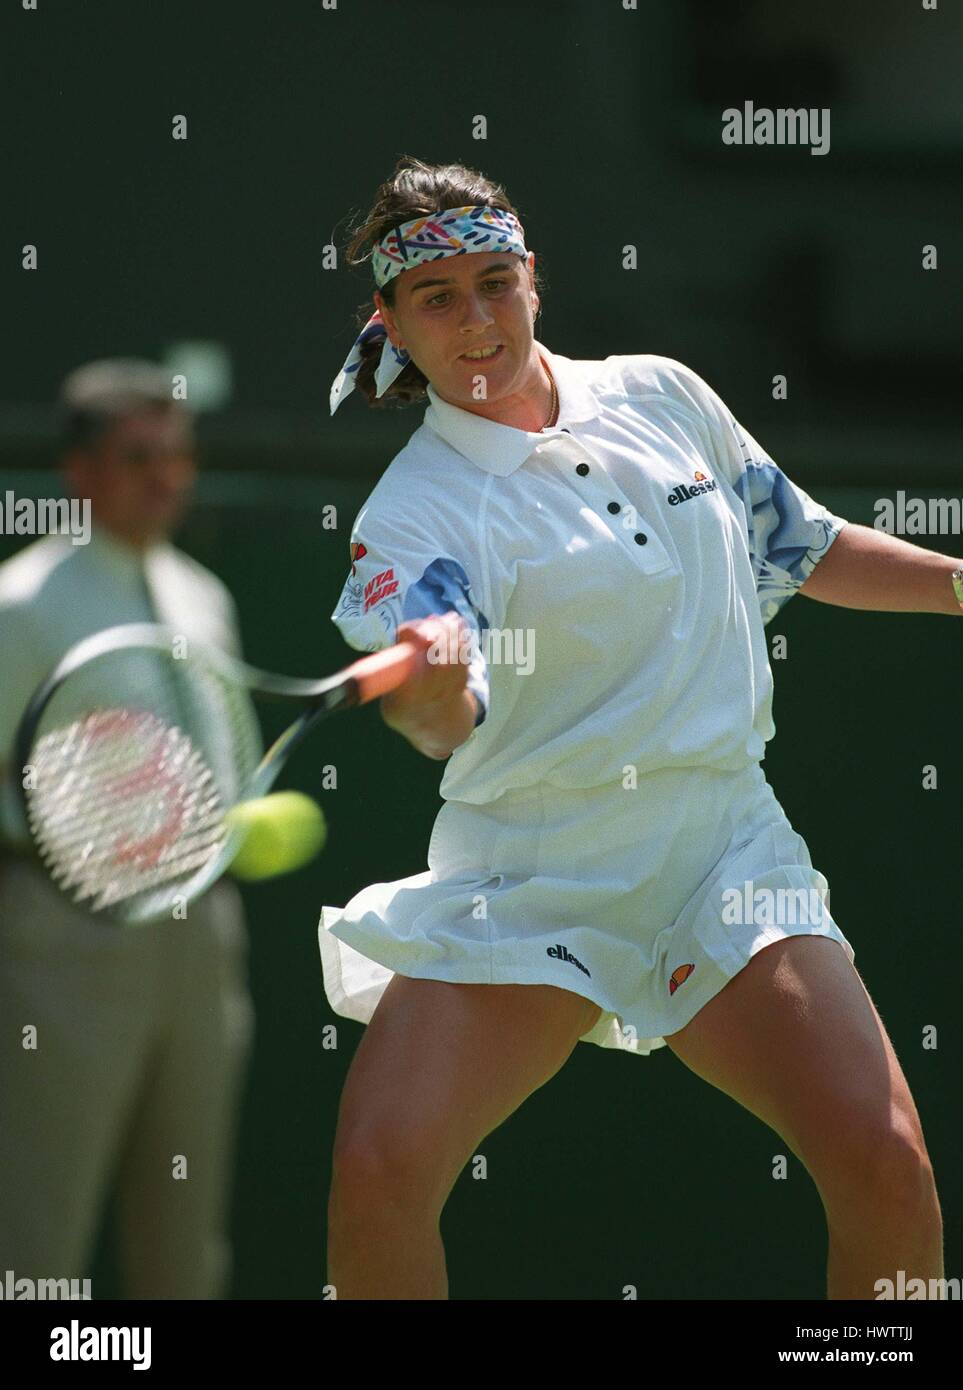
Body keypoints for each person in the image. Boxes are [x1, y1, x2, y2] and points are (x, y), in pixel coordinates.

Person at [318, 156, 960, 1300]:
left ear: (534, 279)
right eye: (437, 298)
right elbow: (441, 711)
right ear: (392, 325)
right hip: (531, 871)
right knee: (377, 1174)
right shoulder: (413, 514)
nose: (476, 321)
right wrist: (431, 687)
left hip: (721, 848)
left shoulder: (664, 394)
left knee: (888, 1164)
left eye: (495, 281)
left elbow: (807, 547)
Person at [0, 359, 255, 1298]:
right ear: (81, 473)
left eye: (178, 455)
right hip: (63, 935)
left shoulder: (205, 597)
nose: (167, 476)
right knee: (37, 1230)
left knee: (186, 1246)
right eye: (139, 456)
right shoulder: (19, 606)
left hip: (201, 937)